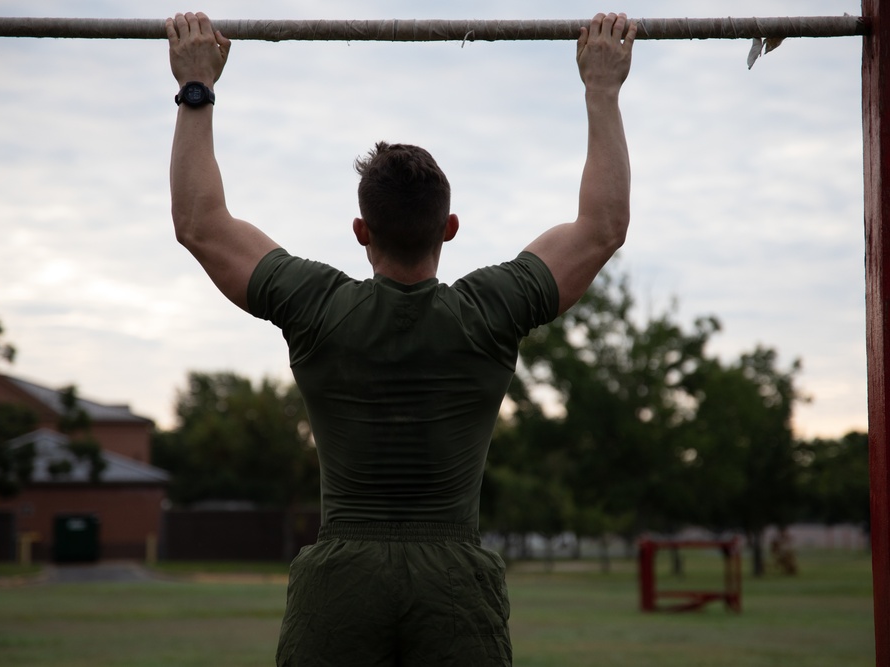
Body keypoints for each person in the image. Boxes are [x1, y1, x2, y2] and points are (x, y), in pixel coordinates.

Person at [166, 10, 636, 666]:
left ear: (362, 230)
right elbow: (602, 227)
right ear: (450, 227)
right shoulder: (489, 312)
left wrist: (196, 88)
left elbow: (200, 223)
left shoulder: (317, 306)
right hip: (454, 591)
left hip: (340, 589)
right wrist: (602, 90)